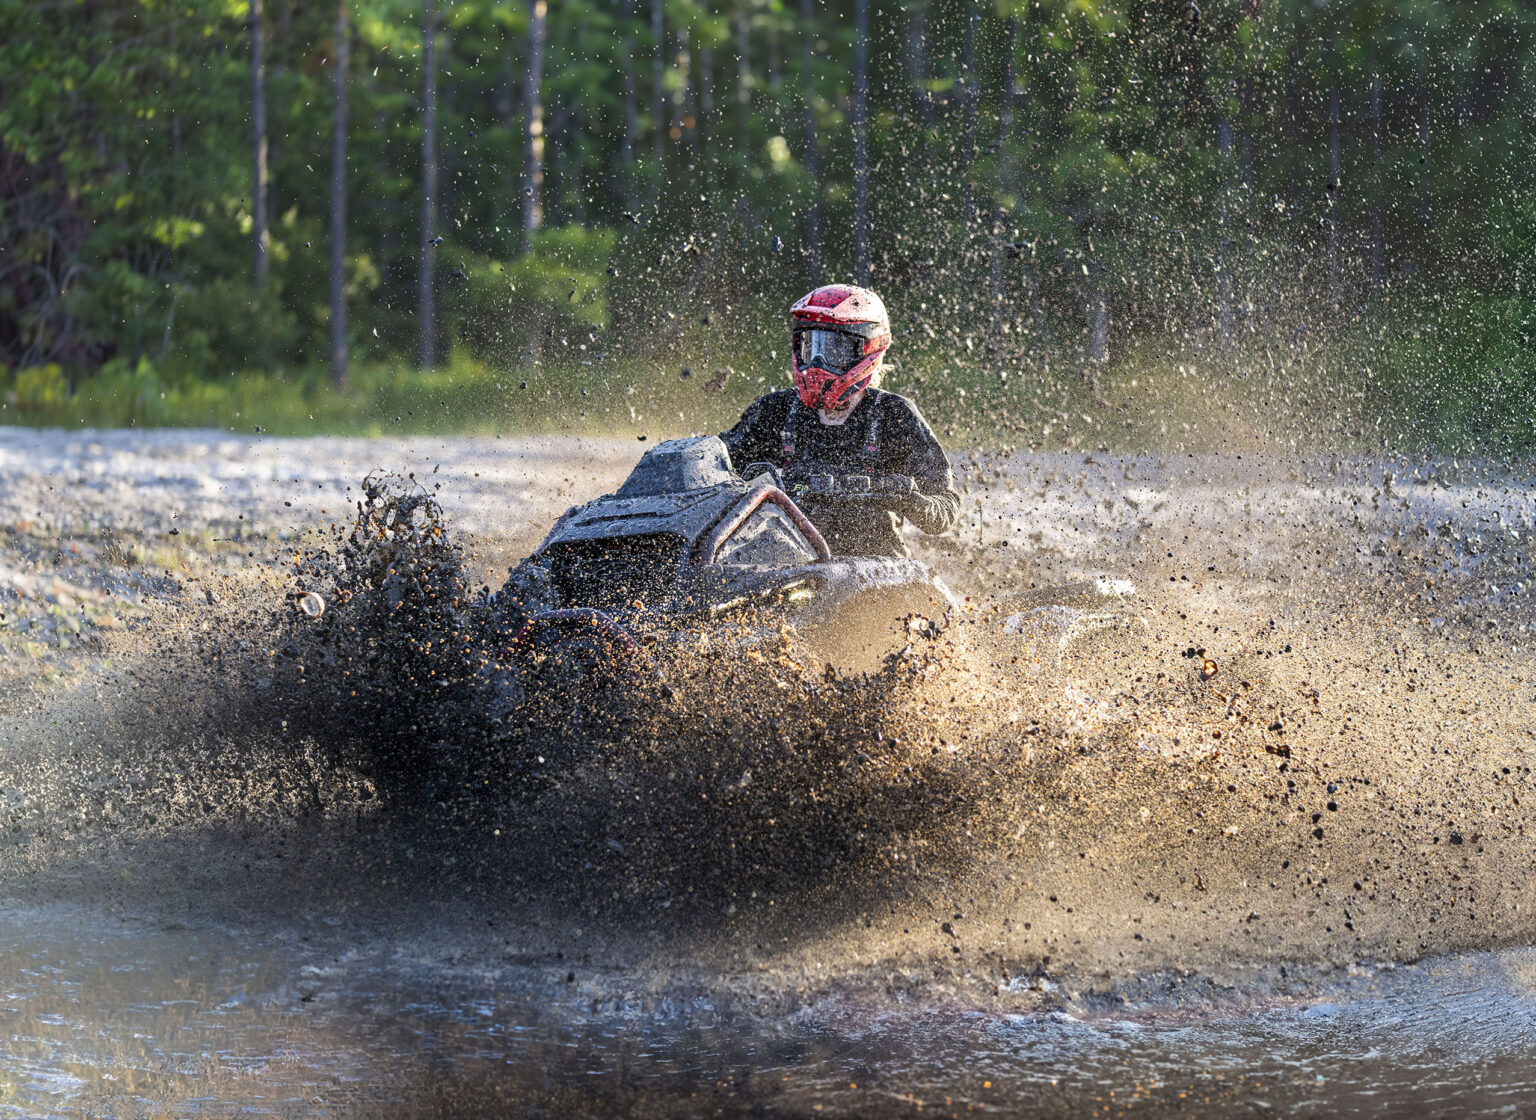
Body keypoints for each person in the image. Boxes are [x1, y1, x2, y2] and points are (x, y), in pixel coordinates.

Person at [720, 284, 959, 557]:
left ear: (868, 349)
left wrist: (911, 500)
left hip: (877, 575)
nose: (819, 363)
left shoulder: (895, 415)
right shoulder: (775, 411)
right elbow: (713, 469)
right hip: (788, 569)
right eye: (813, 347)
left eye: (835, 349)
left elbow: (946, 508)